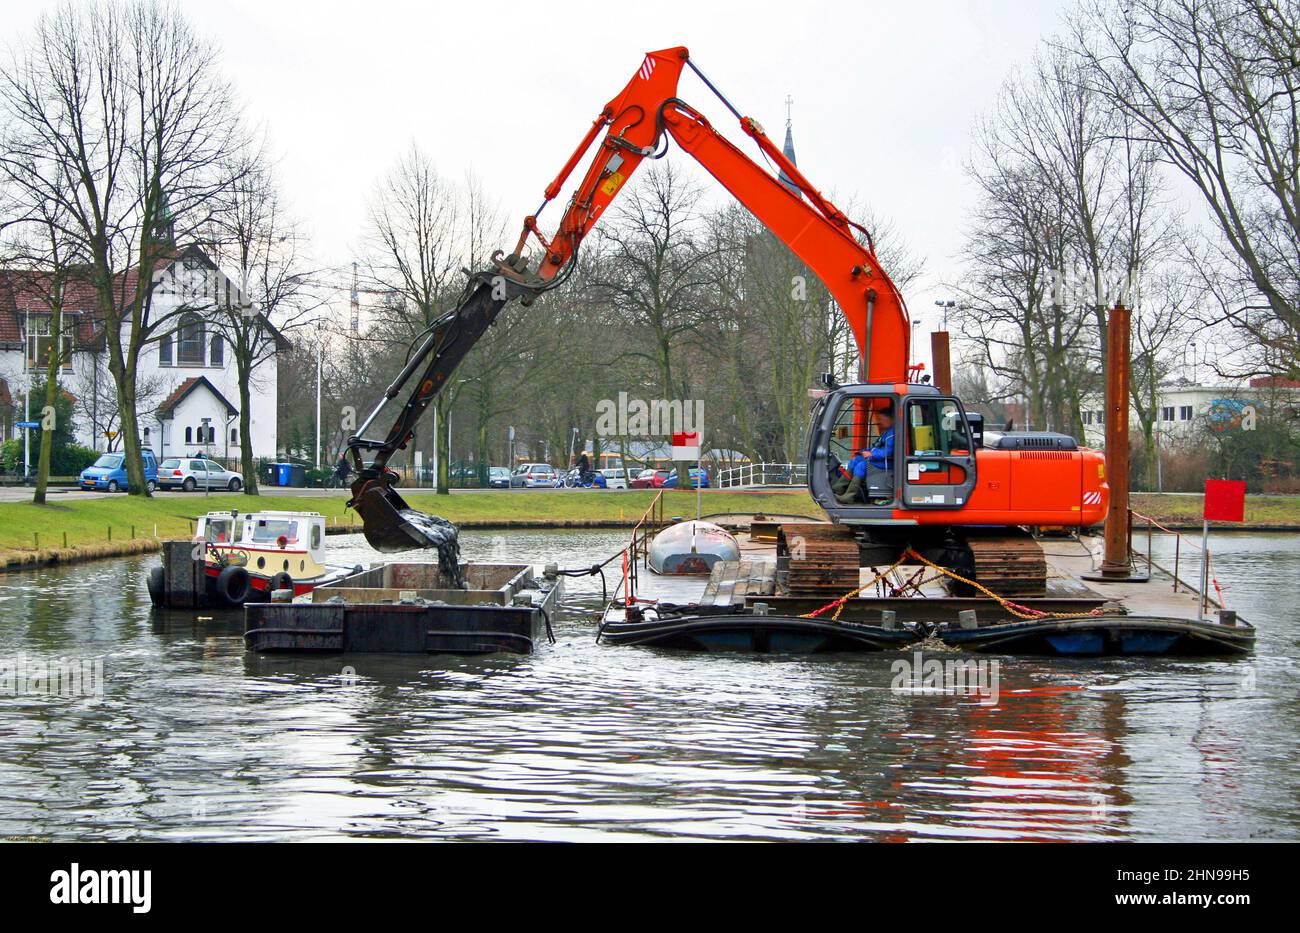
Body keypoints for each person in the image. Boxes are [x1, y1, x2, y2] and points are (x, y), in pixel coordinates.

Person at [836, 409, 895, 504]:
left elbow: (889, 452)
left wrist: (872, 454)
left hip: (887, 462)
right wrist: (864, 451)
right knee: (855, 460)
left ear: (890, 419)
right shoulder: (887, 431)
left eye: (881, 419)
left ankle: (849, 496)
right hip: (880, 459)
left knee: (861, 466)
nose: (880, 421)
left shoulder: (893, 433)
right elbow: (876, 446)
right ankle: (839, 488)